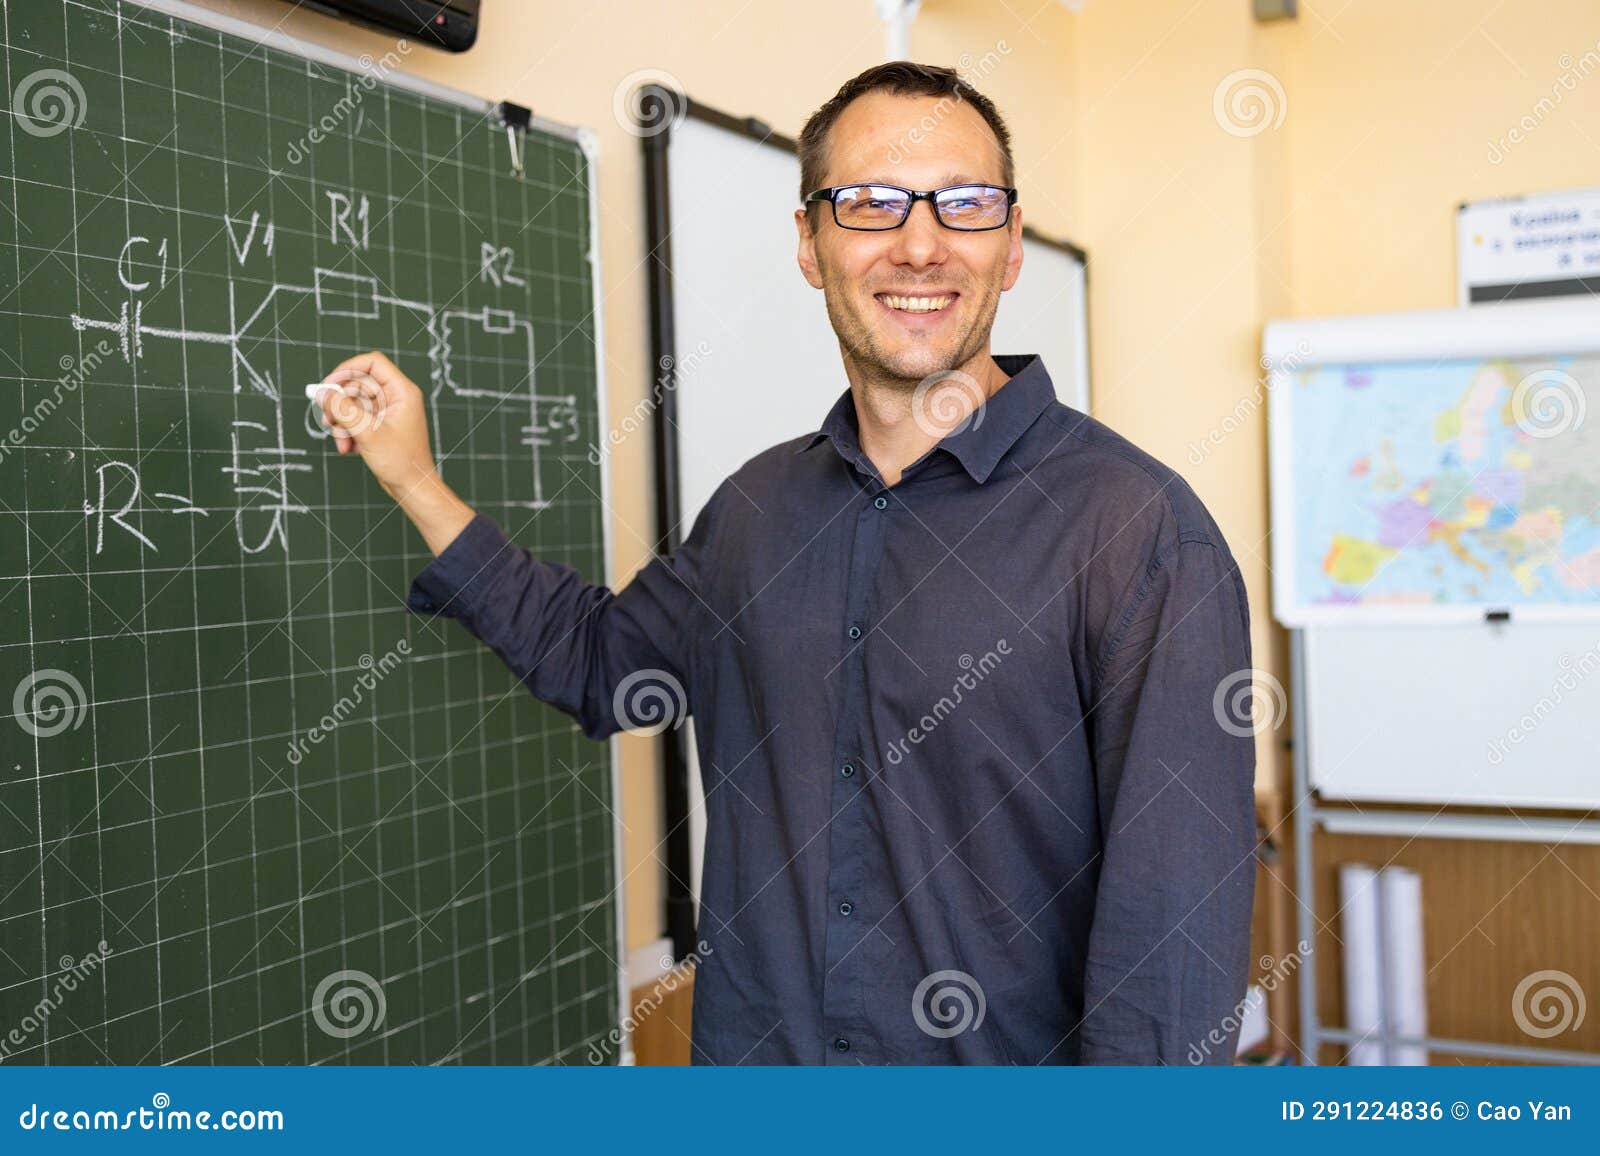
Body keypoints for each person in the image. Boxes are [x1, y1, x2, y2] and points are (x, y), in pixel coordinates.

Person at [313, 61, 1257, 1065]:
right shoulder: (759, 511)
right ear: (809, 243)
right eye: (869, 204)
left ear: (1012, 245)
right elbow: (597, 664)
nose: (921, 242)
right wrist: (415, 478)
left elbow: (1169, 959)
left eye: (966, 204)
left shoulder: (1137, 532)